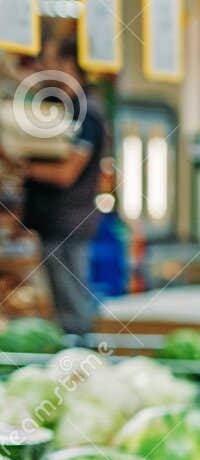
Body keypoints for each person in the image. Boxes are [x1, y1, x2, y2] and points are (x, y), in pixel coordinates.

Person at [16, 41, 105, 336]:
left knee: (72, 305)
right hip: (55, 223)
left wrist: (24, 167)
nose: (43, 67)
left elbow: (67, 173)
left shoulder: (86, 113)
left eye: (49, 60)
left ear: (69, 65)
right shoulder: (63, 107)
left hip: (67, 224)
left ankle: (80, 363)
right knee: (64, 300)